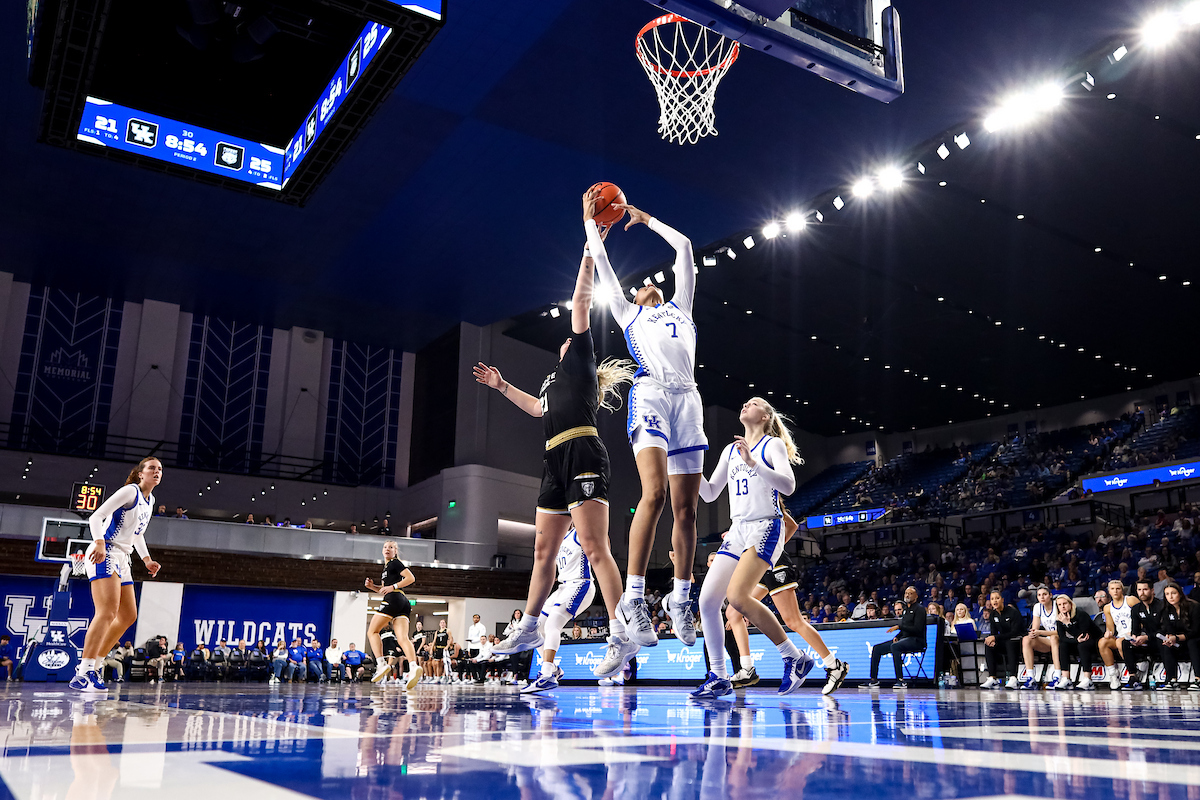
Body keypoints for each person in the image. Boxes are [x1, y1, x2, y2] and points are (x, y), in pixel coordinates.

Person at [478, 199, 638, 681]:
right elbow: (535, 409)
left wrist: (591, 249)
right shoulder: (552, 383)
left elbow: (581, 302)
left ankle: (619, 630)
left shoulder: (582, 358)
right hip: (552, 460)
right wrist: (502, 386)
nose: (566, 339)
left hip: (584, 450)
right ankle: (528, 624)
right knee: (542, 552)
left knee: (595, 548)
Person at [589, 195, 705, 648]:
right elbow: (604, 265)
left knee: (687, 510)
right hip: (652, 393)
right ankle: (633, 598)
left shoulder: (682, 307)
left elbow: (685, 248)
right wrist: (589, 227)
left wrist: (646, 218)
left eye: (653, 286)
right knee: (653, 495)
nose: (648, 288)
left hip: (689, 400)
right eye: (641, 287)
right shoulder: (629, 313)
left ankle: (681, 598)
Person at [692, 397, 831, 699]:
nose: (745, 404)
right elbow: (710, 493)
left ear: (766, 416)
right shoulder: (730, 451)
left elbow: (789, 485)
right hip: (738, 528)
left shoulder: (772, 446)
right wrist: (688, 467)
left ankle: (793, 657)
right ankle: (718, 675)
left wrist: (754, 463)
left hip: (766, 524)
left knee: (737, 597)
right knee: (707, 602)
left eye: (754, 402)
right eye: (744, 402)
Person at [723, 510, 848, 695]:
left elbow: (792, 525)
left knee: (793, 621)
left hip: (775, 563)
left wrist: (774, 549)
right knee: (733, 612)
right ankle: (747, 668)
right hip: (760, 565)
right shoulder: (745, 505)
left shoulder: (768, 498)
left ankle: (834, 665)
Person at [71, 457, 163, 693]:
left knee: (128, 615)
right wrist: (99, 543)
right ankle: (82, 671)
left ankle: (97, 664)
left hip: (124, 556)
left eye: (160, 469)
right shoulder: (129, 492)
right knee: (107, 612)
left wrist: (146, 559)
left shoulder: (150, 500)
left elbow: (137, 534)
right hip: (106, 550)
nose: (157, 471)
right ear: (140, 473)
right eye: (152, 468)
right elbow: (96, 516)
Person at [523, 527, 596, 693]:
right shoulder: (559, 538)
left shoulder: (579, 531)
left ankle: (546, 674)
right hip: (563, 587)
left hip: (580, 583)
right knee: (534, 628)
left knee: (552, 626)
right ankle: (554, 668)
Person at [365, 540, 422, 689]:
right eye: (385, 547)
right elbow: (384, 590)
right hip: (402, 602)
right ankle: (414, 666)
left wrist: (393, 586)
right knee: (402, 638)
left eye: (391, 547)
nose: (387, 549)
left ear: (395, 551)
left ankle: (381, 663)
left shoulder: (395, 563)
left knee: (372, 631)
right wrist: (373, 587)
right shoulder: (386, 568)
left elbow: (411, 578)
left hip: (395, 598)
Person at [866, 586, 927, 690]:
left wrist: (899, 627)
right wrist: (897, 636)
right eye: (906, 593)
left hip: (917, 640)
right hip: (904, 639)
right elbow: (905, 629)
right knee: (877, 648)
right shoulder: (906, 610)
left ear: (916, 596)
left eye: (910, 593)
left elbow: (917, 629)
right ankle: (873, 680)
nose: (907, 595)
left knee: (895, 647)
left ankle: (900, 680)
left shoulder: (920, 609)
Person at [1120, 578, 1163, 690]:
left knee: (1160, 640)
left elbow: (1164, 630)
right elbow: (1135, 629)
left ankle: (1166, 678)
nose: (1142, 592)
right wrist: (1134, 638)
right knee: (1126, 643)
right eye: (1139, 590)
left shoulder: (1161, 605)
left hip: (1160, 640)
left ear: (1152, 590)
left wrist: (1147, 637)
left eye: (1145, 589)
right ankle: (1133, 677)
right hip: (1146, 642)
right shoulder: (1136, 608)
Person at [1019, 586, 1064, 689]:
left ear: (1050, 595)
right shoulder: (1037, 607)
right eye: (1039, 595)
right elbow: (1035, 628)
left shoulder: (1057, 606)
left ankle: (1057, 676)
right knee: (1026, 639)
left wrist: (1040, 632)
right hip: (1048, 640)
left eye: (1044, 594)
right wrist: (1033, 633)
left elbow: (1061, 632)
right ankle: (1030, 678)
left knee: (1053, 638)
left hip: (1062, 639)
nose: (1042, 597)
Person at [1159, 582, 1200, 689]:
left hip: (1195, 638)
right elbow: (1168, 628)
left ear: (1180, 594)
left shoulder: (1194, 606)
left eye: (1173, 593)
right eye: (1167, 594)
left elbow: (1195, 631)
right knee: (1167, 645)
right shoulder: (1166, 609)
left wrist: (1176, 638)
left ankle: (1198, 679)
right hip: (1179, 641)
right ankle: (1172, 680)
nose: (1170, 597)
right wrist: (1169, 637)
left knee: (1192, 643)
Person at [1054, 594, 1100, 690]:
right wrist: (1075, 640)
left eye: (1064, 603)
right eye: (1059, 604)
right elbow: (1062, 638)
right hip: (1079, 641)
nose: (1062, 606)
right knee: (1063, 645)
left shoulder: (1081, 614)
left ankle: (1088, 679)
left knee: (1082, 645)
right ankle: (1066, 678)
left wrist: (1068, 624)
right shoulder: (1060, 618)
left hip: (1094, 641)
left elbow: (1084, 635)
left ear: (1070, 604)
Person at [980, 591, 1025, 689]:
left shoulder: (1013, 612)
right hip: (1004, 640)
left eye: (997, 598)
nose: (995, 601)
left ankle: (1013, 678)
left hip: (1019, 641)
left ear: (1002, 600)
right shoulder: (993, 615)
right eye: (992, 599)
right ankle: (992, 678)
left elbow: (1015, 632)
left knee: (1010, 642)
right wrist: (992, 640)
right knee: (989, 645)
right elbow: (994, 633)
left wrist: (995, 638)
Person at [1099, 578, 1138, 690]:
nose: (1115, 591)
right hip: (1121, 636)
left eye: (1118, 588)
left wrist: (1135, 631)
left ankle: (1133, 671)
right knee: (1103, 642)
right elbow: (1111, 628)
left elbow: (1142, 616)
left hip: (1136, 634)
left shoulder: (1131, 600)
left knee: (1120, 642)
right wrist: (1108, 633)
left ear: (1122, 590)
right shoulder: (1107, 607)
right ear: (1109, 592)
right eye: (1112, 589)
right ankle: (1113, 675)